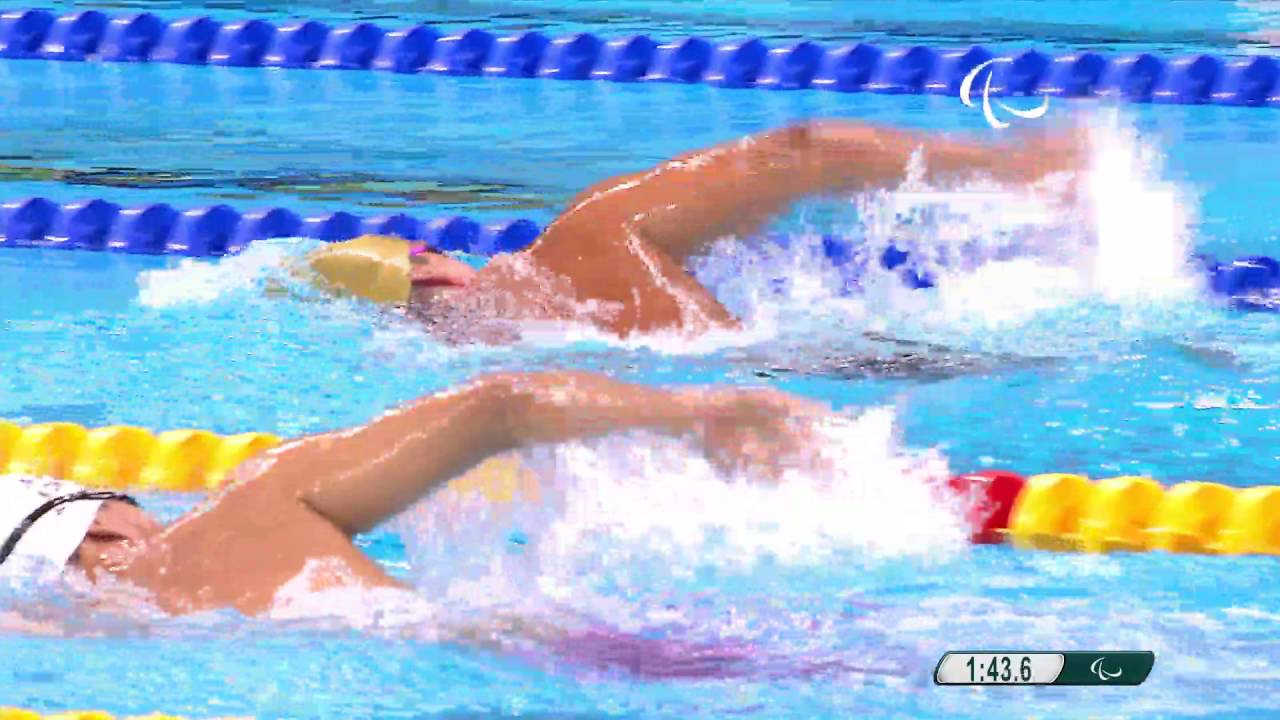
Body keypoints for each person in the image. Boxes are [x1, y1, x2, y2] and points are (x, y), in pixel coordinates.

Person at [0, 371, 822, 617]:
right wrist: (694, 413)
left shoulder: (107, 624)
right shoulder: (257, 502)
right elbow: (500, 405)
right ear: (107, 525)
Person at [304, 120, 1083, 343]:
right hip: (802, 358)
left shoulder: (484, 352)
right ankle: (1035, 172)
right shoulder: (582, 238)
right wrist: (1013, 166)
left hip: (781, 378)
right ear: (430, 265)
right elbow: (803, 149)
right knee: (799, 151)